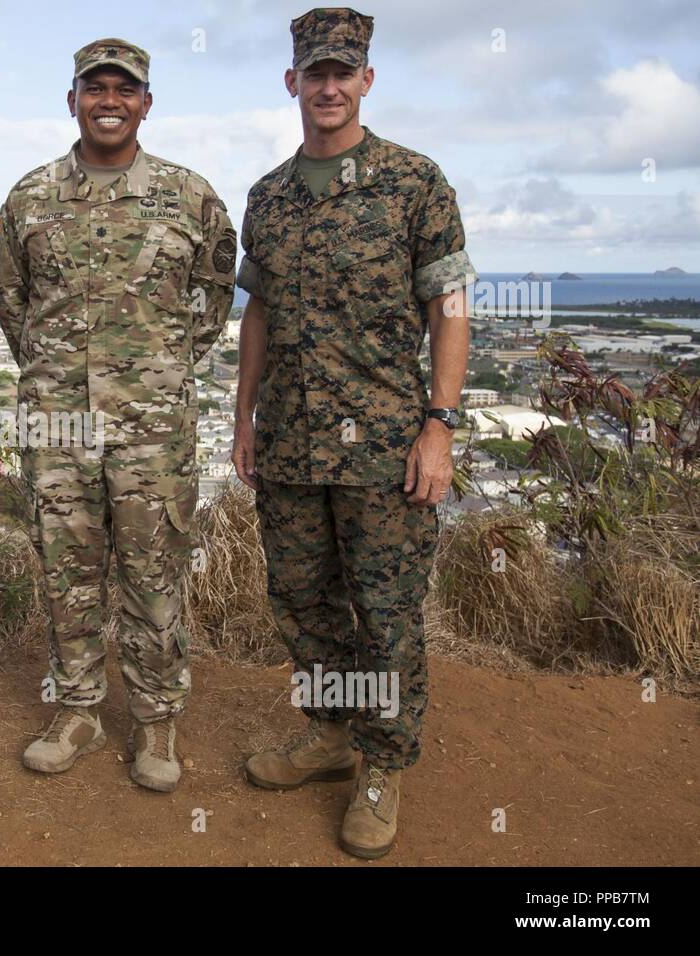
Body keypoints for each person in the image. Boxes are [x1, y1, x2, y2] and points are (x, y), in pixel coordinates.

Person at [231, 7, 476, 857]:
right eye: (314, 71)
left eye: (344, 71)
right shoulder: (268, 196)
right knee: (302, 602)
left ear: (366, 81)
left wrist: (439, 425)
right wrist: (242, 417)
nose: (328, 86)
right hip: (292, 444)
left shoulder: (414, 183)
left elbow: (449, 308)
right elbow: (256, 310)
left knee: (385, 614)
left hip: (383, 447)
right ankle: (332, 733)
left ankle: (381, 760)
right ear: (291, 81)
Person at [0, 39, 237, 793]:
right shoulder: (28, 198)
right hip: (56, 422)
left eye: (123, 89)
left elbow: (211, 302)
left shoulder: (191, 198)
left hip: (152, 428)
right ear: (72, 100)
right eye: (93, 87)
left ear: (146, 103)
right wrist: (60, 375)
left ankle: (157, 719)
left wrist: (151, 375)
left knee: (153, 570)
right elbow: (13, 303)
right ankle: (77, 710)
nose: (108, 100)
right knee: (67, 570)